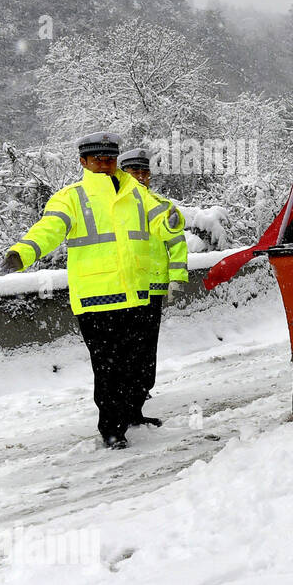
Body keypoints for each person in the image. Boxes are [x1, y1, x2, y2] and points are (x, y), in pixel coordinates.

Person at [0, 131, 180, 448]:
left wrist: (172, 220)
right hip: (98, 298)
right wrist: (23, 252)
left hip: (137, 293)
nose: (105, 165)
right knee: (109, 366)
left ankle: (133, 412)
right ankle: (111, 428)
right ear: (83, 161)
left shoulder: (137, 193)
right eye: (98, 159)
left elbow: (163, 223)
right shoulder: (71, 197)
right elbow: (49, 229)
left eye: (110, 159)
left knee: (138, 361)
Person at [118, 146, 188, 426]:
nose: (140, 175)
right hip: (121, 290)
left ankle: (136, 407)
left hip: (153, 290)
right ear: (122, 174)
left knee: (145, 353)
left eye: (144, 171)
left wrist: (177, 278)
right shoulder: (114, 207)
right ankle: (119, 412)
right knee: (122, 353)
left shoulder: (161, 205)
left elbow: (177, 243)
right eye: (134, 170)